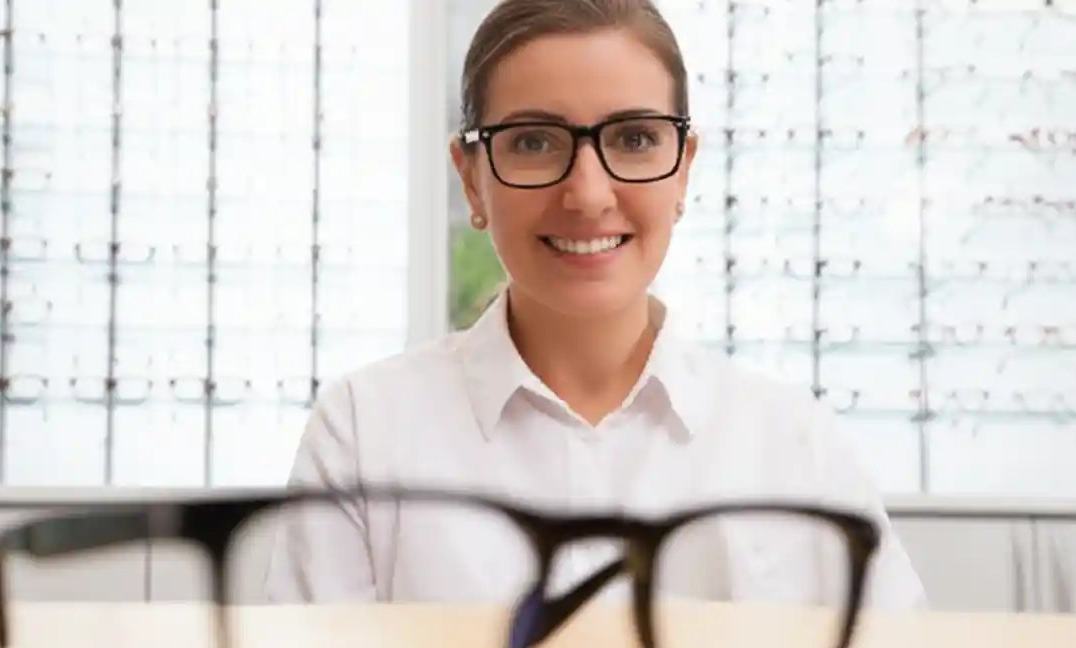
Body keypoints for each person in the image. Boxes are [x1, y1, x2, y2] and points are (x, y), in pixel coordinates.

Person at [263, 0, 927, 610]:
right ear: (471, 178)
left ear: (683, 168)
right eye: (533, 141)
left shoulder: (793, 445)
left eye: (634, 139)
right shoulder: (364, 432)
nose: (587, 194)